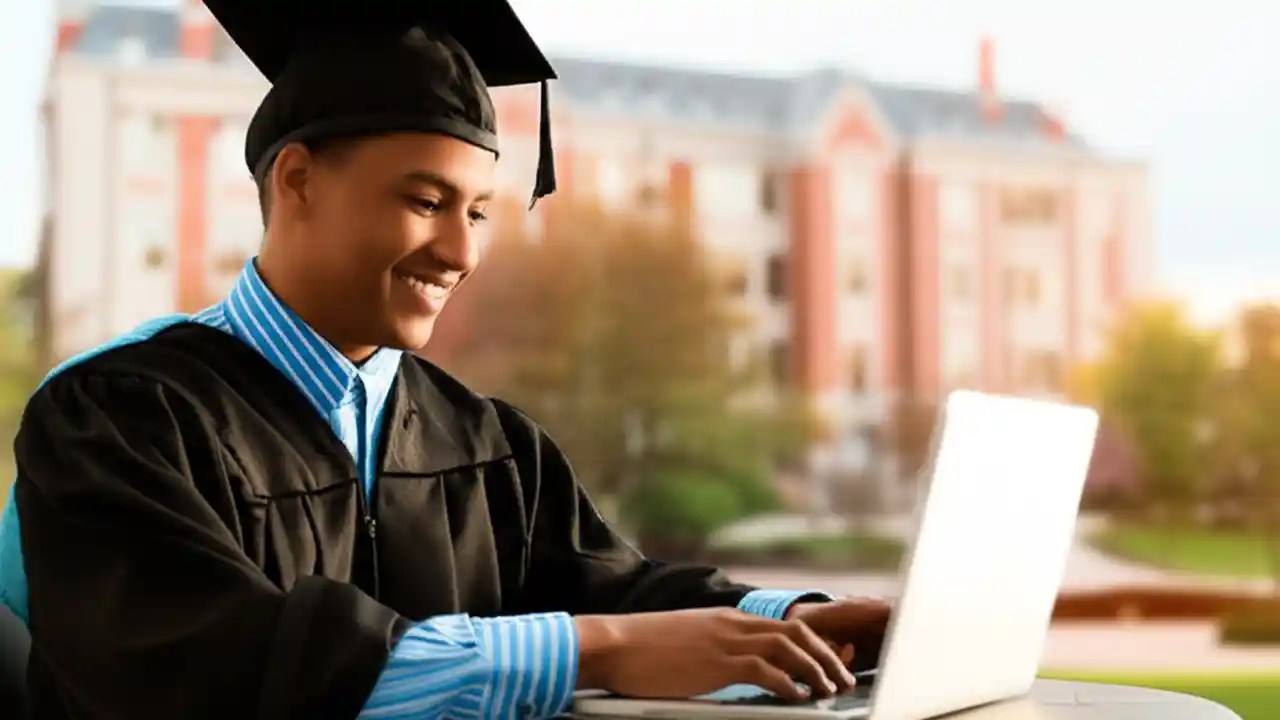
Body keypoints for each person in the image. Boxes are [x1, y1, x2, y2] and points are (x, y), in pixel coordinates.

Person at [0, 1, 890, 718]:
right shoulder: (120, 415)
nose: (460, 253)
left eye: (478, 213)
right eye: (427, 201)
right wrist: (595, 650)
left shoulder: (487, 438)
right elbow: (220, 660)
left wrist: (802, 620)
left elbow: (618, 587)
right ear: (296, 181)